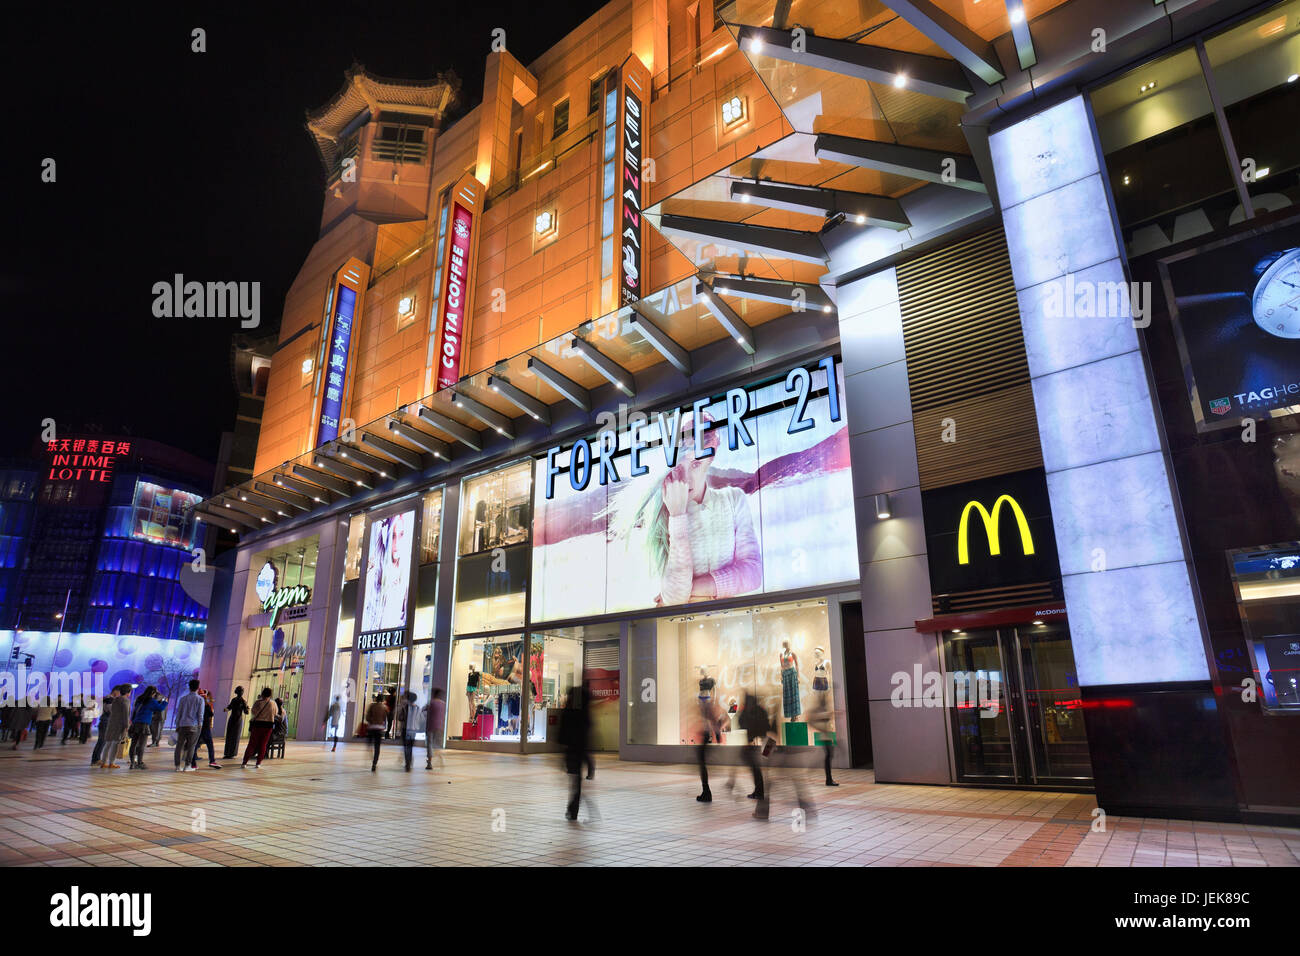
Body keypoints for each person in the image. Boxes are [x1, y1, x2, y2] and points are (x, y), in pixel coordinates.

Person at [642, 411, 761, 606]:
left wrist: (688, 589)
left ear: (710, 458)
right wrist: (677, 515)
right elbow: (673, 598)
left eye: (696, 464)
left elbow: (753, 573)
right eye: (680, 467)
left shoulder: (733, 500)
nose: (686, 478)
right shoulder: (660, 516)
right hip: (677, 628)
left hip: (733, 621)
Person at [558, 685, 596, 822]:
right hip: (579, 753)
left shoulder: (568, 713)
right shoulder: (584, 714)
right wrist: (590, 763)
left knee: (575, 783)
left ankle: (572, 809)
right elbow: (587, 738)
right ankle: (572, 809)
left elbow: (561, 736)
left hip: (572, 753)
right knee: (576, 783)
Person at [736, 692, 772, 819]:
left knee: (759, 771)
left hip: (762, 744)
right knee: (762, 773)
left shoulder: (749, 712)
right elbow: (766, 728)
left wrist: (748, 743)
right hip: (767, 743)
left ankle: (761, 807)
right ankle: (759, 796)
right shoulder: (760, 710)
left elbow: (747, 727)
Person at [128, 687, 166, 769]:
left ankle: (132, 762)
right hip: (144, 724)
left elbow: (134, 710)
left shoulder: (139, 699)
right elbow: (160, 708)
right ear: (153, 693)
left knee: (133, 744)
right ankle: (140, 762)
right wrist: (164, 702)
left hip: (135, 723)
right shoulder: (151, 701)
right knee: (142, 744)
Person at [241, 688, 277, 770]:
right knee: (263, 744)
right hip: (268, 726)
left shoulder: (258, 702)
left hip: (257, 725)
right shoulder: (273, 703)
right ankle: (258, 763)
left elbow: (253, 712)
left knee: (252, 744)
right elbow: (275, 713)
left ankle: (244, 762)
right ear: (270, 694)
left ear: (262, 693)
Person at [173, 679, 204, 772]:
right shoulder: (200, 699)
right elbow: (200, 714)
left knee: (179, 746)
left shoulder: (183, 699)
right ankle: (187, 766)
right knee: (191, 746)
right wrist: (200, 725)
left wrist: (177, 725)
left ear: (189, 687)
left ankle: (177, 766)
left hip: (182, 725)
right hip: (194, 725)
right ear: (198, 687)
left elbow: (179, 713)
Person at [99, 685, 131, 770]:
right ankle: (111, 763)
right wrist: (127, 726)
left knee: (108, 743)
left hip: (111, 723)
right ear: (128, 692)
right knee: (115, 744)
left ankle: (103, 762)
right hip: (119, 725)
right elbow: (126, 714)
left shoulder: (115, 699)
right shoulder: (126, 701)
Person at [190, 690, 221, 769]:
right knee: (209, 745)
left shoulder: (195, 705)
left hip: (197, 727)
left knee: (195, 745)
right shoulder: (206, 705)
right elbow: (211, 714)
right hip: (205, 728)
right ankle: (212, 761)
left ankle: (193, 763)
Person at [89, 689, 117, 765]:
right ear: (115, 691)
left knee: (101, 741)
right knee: (102, 741)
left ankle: (95, 759)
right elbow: (111, 711)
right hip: (106, 721)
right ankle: (96, 759)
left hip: (104, 721)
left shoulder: (106, 698)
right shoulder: (109, 699)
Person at [364, 693, 389, 772]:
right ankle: (374, 763)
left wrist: (371, 721)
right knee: (377, 747)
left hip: (371, 728)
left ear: (376, 699)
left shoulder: (371, 706)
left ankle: (371, 759)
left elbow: (367, 717)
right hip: (379, 729)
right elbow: (385, 719)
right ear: (382, 700)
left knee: (369, 745)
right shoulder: (385, 708)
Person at [223, 687, 249, 759]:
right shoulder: (234, 700)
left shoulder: (243, 701)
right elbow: (230, 707)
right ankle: (227, 753)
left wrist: (247, 708)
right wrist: (226, 709)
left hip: (238, 720)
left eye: (242, 691)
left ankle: (232, 753)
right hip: (232, 719)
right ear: (237, 692)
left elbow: (246, 712)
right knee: (229, 736)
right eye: (240, 691)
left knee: (235, 737)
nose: (241, 692)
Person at [399, 692, 421, 771]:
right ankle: (409, 762)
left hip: (406, 729)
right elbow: (420, 719)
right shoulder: (418, 708)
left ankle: (407, 763)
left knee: (406, 747)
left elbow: (400, 718)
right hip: (414, 730)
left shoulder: (405, 707)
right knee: (410, 747)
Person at [425, 688, 445, 771]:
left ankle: (429, 763)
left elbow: (427, 714)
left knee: (430, 744)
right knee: (437, 744)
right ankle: (441, 759)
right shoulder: (443, 704)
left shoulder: (431, 703)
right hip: (440, 726)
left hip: (431, 725)